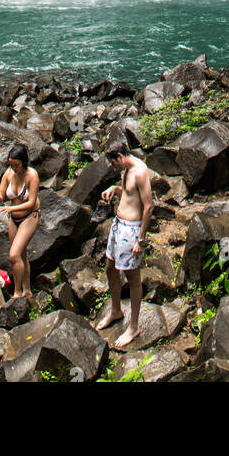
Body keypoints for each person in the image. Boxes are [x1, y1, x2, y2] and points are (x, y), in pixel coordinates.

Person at [95, 141, 154, 350]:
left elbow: (148, 207)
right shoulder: (126, 169)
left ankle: (134, 326)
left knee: (132, 277)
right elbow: (130, 193)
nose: (113, 167)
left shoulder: (140, 171)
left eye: (113, 164)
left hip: (132, 230)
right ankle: (116, 310)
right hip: (118, 225)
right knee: (110, 269)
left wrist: (141, 239)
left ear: (120, 157)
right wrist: (114, 189)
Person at [0, 145, 40, 299]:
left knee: (13, 255)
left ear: (24, 162)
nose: (14, 168)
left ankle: (17, 293)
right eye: (11, 164)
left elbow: (31, 202)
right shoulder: (8, 174)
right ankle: (27, 290)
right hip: (14, 219)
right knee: (21, 255)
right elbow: (2, 195)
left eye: (16, 165)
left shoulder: (32, 175)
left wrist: (11, 209)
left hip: (29, 216)